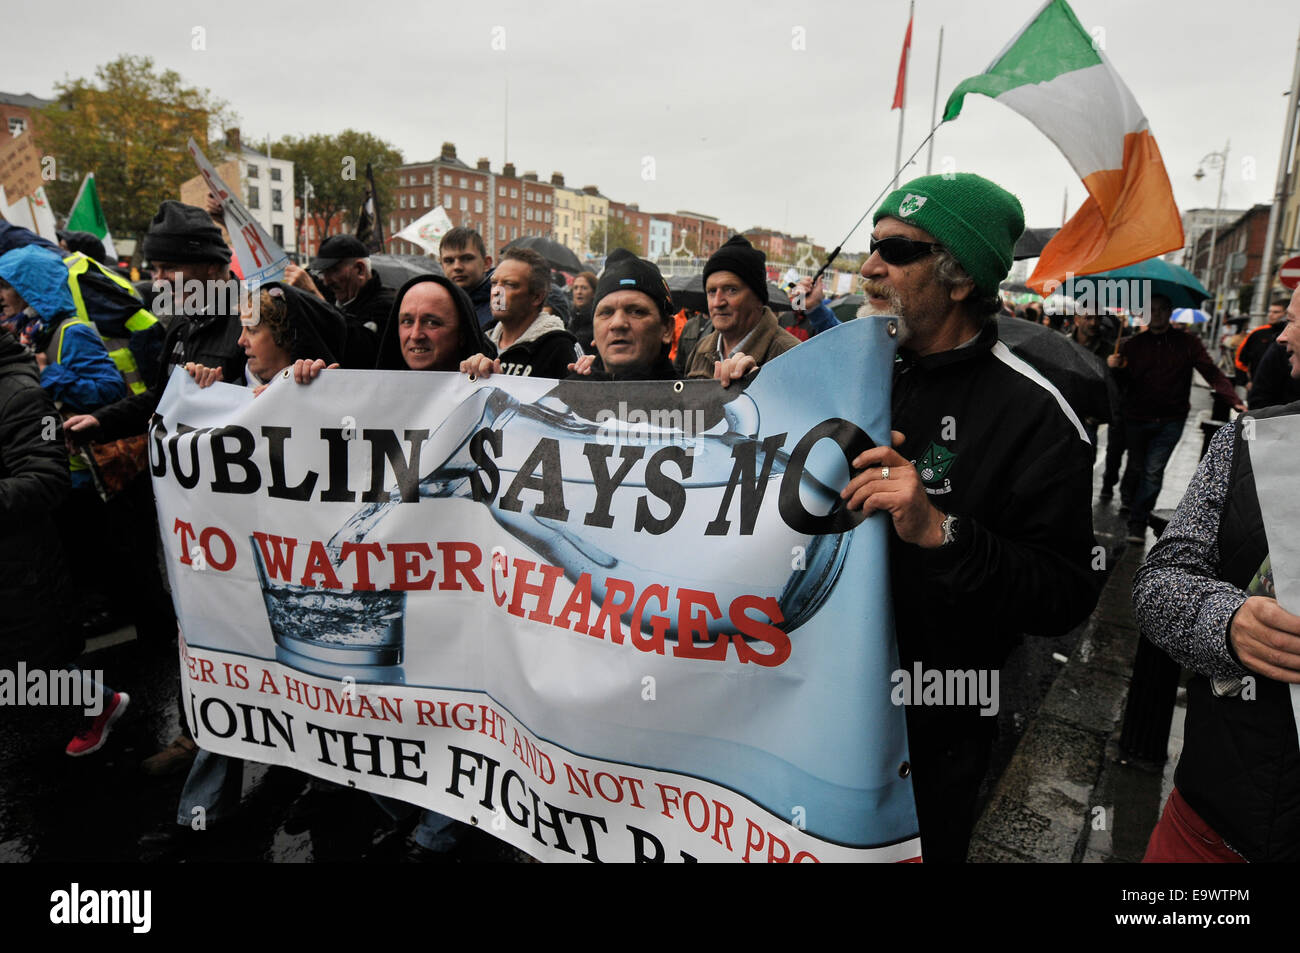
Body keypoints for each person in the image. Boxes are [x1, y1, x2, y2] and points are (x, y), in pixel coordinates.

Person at [838, 173, 1100, 862]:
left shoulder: (1037, 412)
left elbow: (1065, 590)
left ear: (959, 279)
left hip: (931, 721)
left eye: (896, 250)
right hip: (813, 688)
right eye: (871, 246)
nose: (870, 266)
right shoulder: (847, 368)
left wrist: (939, 530)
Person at [62, 200, 243, 777]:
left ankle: (279, 747)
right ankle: (201, 734)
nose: (156, 279)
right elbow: (163, 401)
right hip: (191, 520)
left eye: (168, 267)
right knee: (198, 632)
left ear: (214, 269)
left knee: (245, 637)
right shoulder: (182, 326)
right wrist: (104, 421)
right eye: (154, 267)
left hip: (246, 523)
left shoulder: (257, 319)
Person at [1134, 287, 1300, 862]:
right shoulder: (1250, 443)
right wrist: (1226, 622)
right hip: (1214, 820)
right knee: (1145, 477)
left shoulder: (1188, 345)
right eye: (1287, 317)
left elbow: (1209, 367)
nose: (1283, 336)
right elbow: (1160, 584)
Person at [0, 326, 129, 756]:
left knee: (29, 665)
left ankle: (99, 704)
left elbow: (48, 479)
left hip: (18, 565)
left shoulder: (21, 394)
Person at [1107, 293, 1245, 542]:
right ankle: (1128, 498)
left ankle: (1138, 522)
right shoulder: (1131, 345)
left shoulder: (1188, 343)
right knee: (1136, 466)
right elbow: (1121, 385)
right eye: (1152, 310)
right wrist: (1115, 368)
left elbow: (1211, 372)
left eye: (1161, 309)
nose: (1156, 314)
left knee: (1153, 471)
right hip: (1136, 417)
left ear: (1170, 312)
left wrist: (1233, 399)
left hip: (1170, 419)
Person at [684, 235, 799, 379]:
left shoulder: (791, 356)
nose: (717, 303)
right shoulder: (701, 349)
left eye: (731, 290)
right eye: (712, 291)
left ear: (758, 298)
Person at [459, 247, 581, 379]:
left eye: (510, 284)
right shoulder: (480, 341)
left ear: (537, 297)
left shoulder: (559, 347)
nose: (496, 292)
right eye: (494, 283)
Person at [564, 249, 678, 382]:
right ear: (594, 332)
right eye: (606, 313)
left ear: (667, 329)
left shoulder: (691, 400)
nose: (617, 323)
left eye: (637, 312)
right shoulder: (566, 398)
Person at [303, 234, 390, 368]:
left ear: (360, 269)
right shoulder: (332, 297)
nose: (326, 281)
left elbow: (362, 350)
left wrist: (315, 297)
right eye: (323, 273)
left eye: (334, 271)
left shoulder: (386, 305)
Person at [439, 227, 494, 328]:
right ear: (442, 265)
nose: (457, 267)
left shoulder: (502, 304)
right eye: (449, 261)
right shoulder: (438, 306)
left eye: (466, 259)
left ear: (486, 263)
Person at [1234, 298, 1288, 389]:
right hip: (1258, 387)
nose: (1270, 315)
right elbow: (1240, 358)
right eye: (1269, 311)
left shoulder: (1292, 334)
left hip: (1285, 390)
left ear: (1286, 314)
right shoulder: (1258, 333)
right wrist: (1245, 382)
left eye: (1276, 312)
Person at [568, 270, 597, 351]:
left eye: (584, 288)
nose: (579, 292)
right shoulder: (571, 319)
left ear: (594, 293)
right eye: (576, 288)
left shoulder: (597, 320)